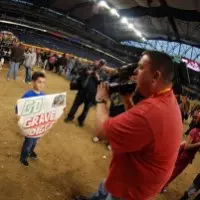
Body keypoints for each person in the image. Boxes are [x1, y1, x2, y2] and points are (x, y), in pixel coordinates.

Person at [74, 51, 182, 200]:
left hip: (132, 185)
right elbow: (141, 129)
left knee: (112, 194)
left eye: (141, 67)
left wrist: (100, 100)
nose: (136, 72)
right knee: (106, 188)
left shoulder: (151, 111)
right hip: (135, 172)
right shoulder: (165, 98)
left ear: (156, 76)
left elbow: (101, 131)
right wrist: (127, 99)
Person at [162, 112, 200, 192]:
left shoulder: (198, 132)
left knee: (173, 171)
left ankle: (162, 184)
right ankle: (162, 186)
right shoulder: (194, 131)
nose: (195, 119)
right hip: (184, 156)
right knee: (174, 172)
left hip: (186, 158)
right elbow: (187, 146)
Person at [64, 59, 107, 127]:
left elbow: (101, 84)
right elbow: (80, 72)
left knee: (86, 109)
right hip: (82, 90)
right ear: (97, 62)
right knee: (75, 104)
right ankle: (70, 117)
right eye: (100, 63)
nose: (100, 65)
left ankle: (81, 120)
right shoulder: (89, 67)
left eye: (102, 64)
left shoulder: (104, 74)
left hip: (91, 93)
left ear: (103, 66)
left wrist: (97, 77)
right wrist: (87, 72)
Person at [18, 72, 46, 166]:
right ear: (33, 82)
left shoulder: (43, 94)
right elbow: (18, 108)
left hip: (38, 124)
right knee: (29, 142)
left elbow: (47, 107)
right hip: (30, 125)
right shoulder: (28, 95)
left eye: (43, 82)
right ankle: (23, 157)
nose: (41, 85)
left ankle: (31, 151)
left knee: (35, 141)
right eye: (39, 82)